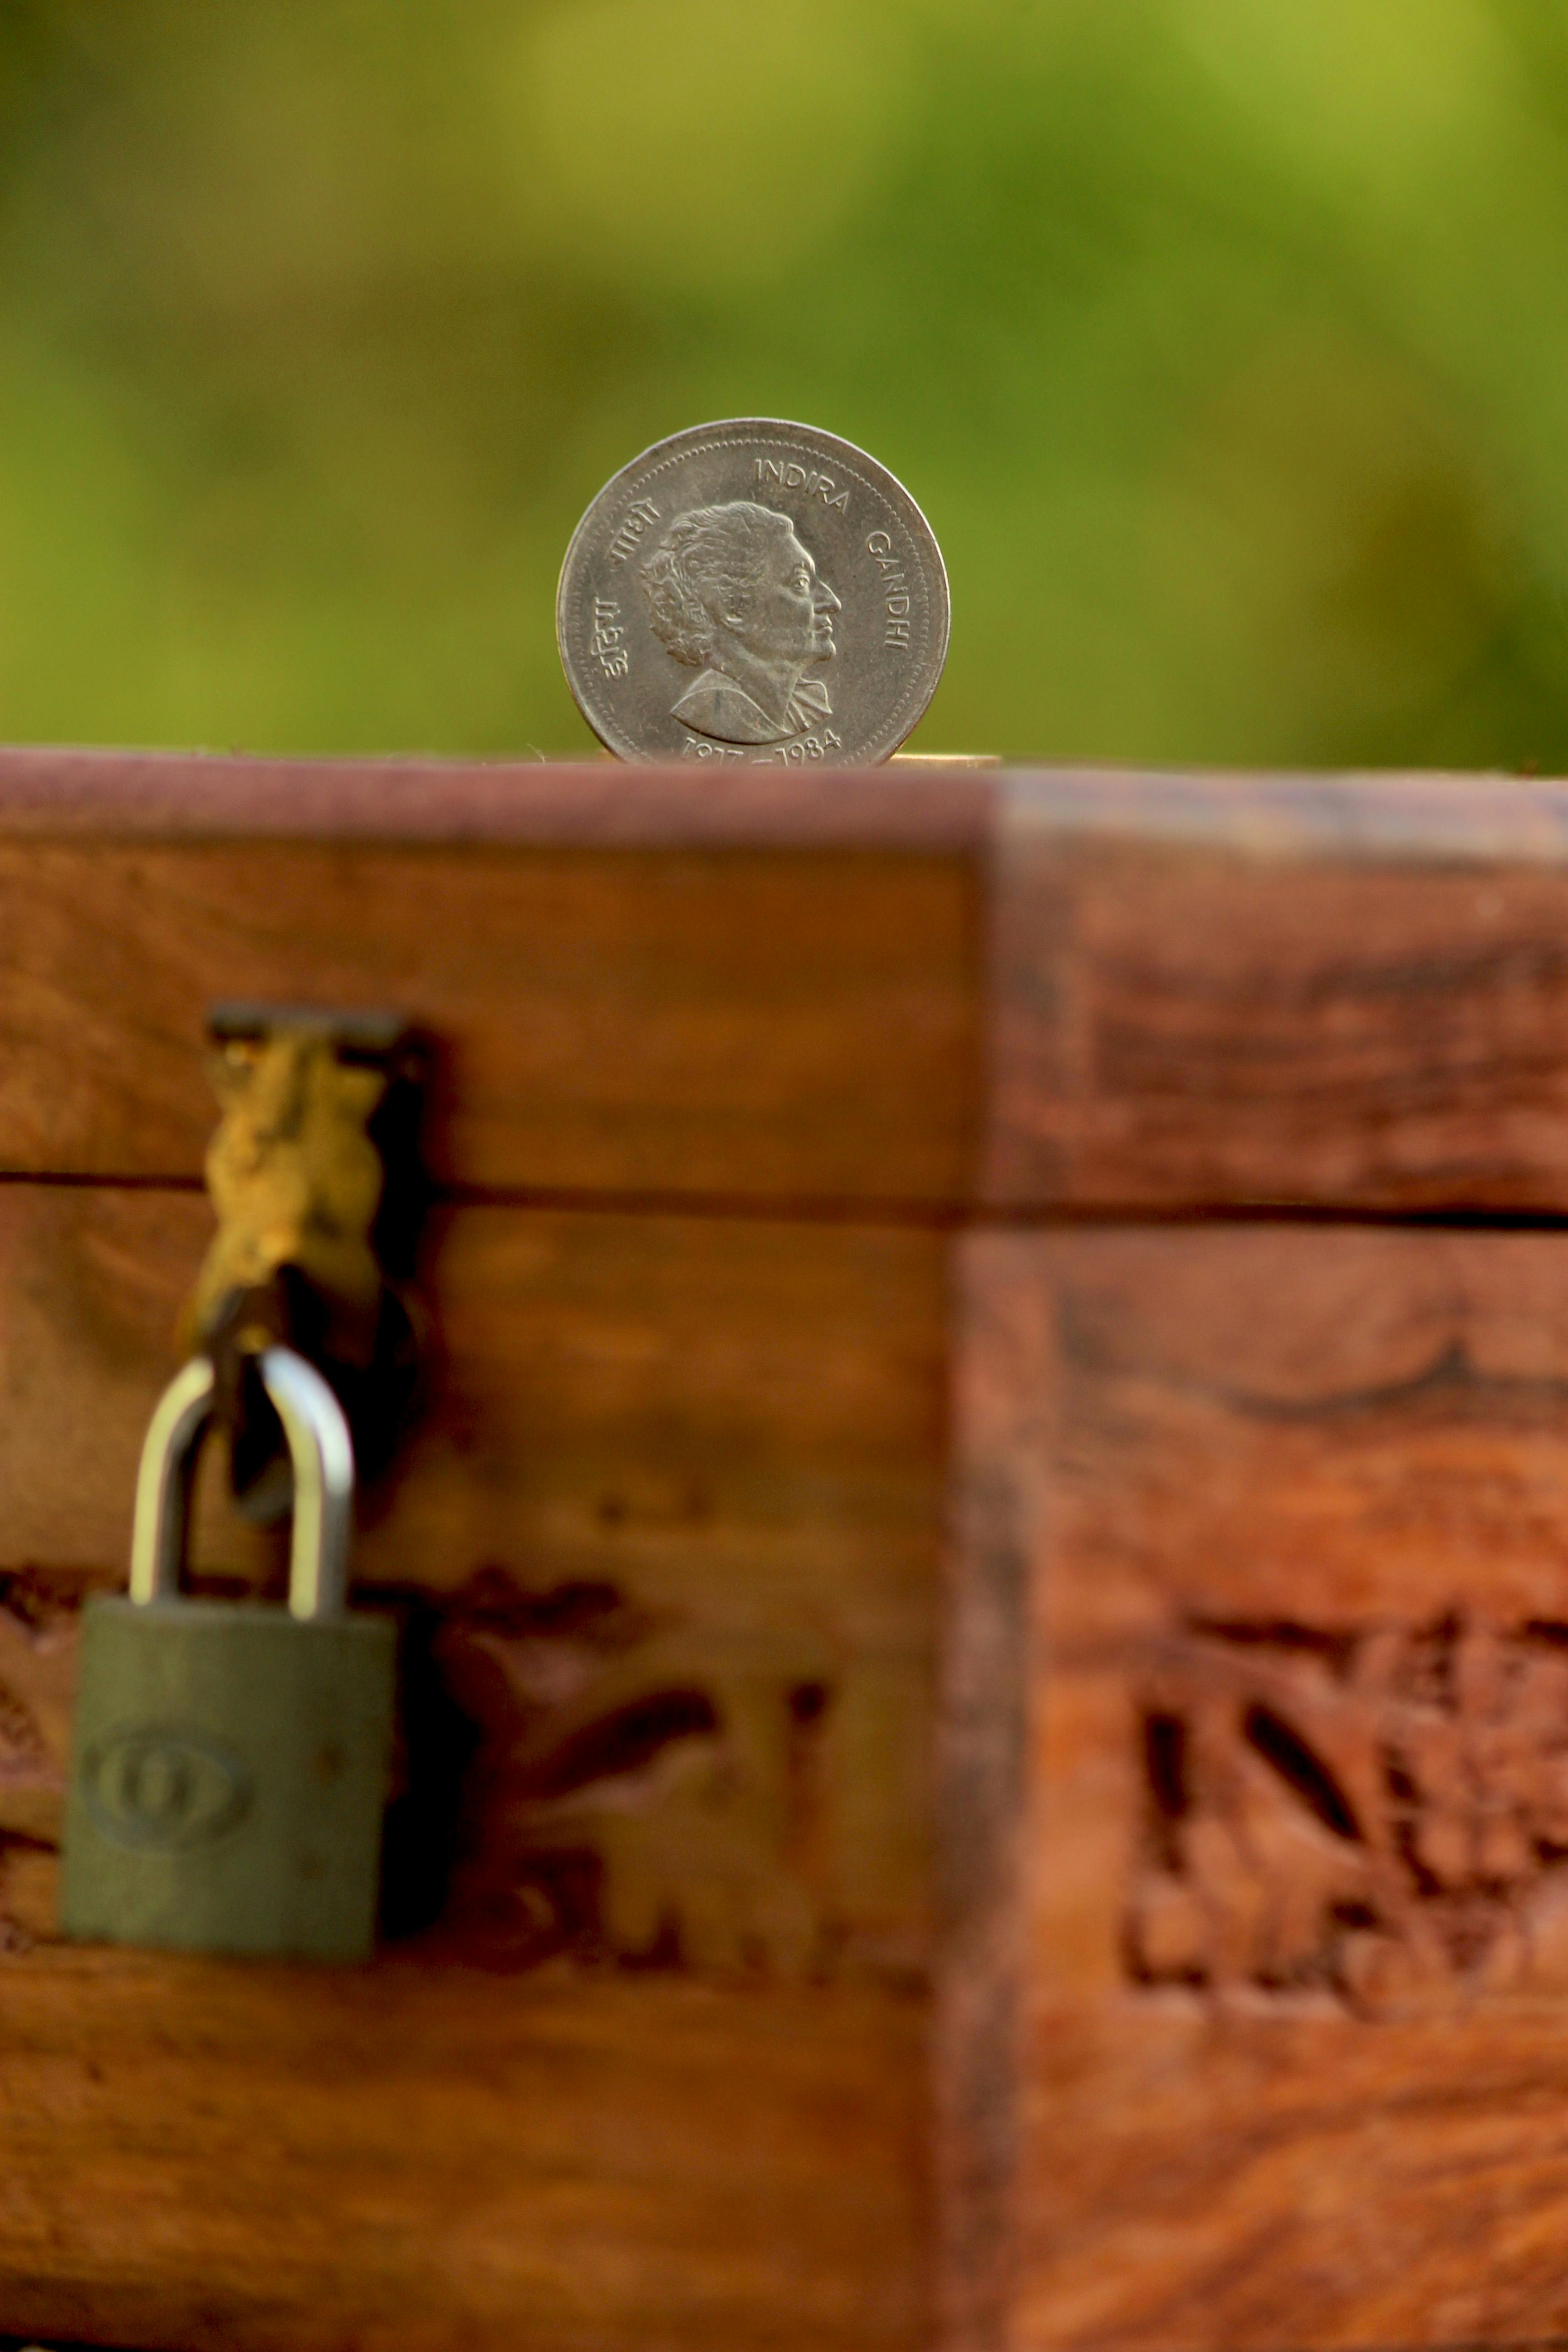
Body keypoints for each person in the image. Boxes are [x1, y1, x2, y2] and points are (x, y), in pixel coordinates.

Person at [638, 500, 840, 745]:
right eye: (800, 584)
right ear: (734, 609)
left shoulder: (808, 705)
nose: (832, 602)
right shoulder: (715, 713)